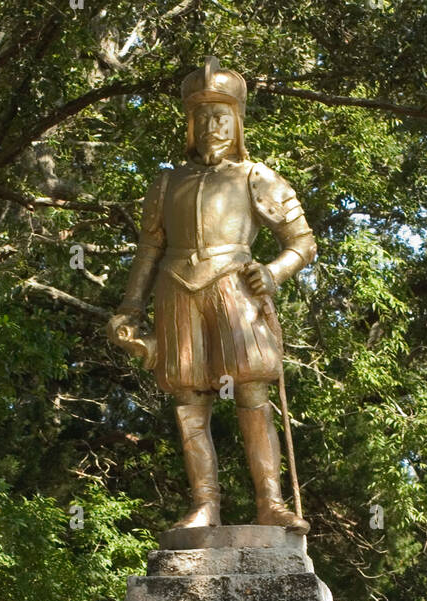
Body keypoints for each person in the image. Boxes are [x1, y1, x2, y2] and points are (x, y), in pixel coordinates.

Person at [107, 57, 317, 534]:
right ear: (191, 125)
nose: (213, 126)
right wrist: (130, 307)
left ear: (238, 121)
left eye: (222, 116)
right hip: (178, 288)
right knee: (188, 397)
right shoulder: (166, 182)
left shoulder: (256, 176)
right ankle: (205, 505)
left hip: (234, 285)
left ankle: (270, 502)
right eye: (203, 118)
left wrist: (274, 271)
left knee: (250, 388)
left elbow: (302, 242)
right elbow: (149, 248)